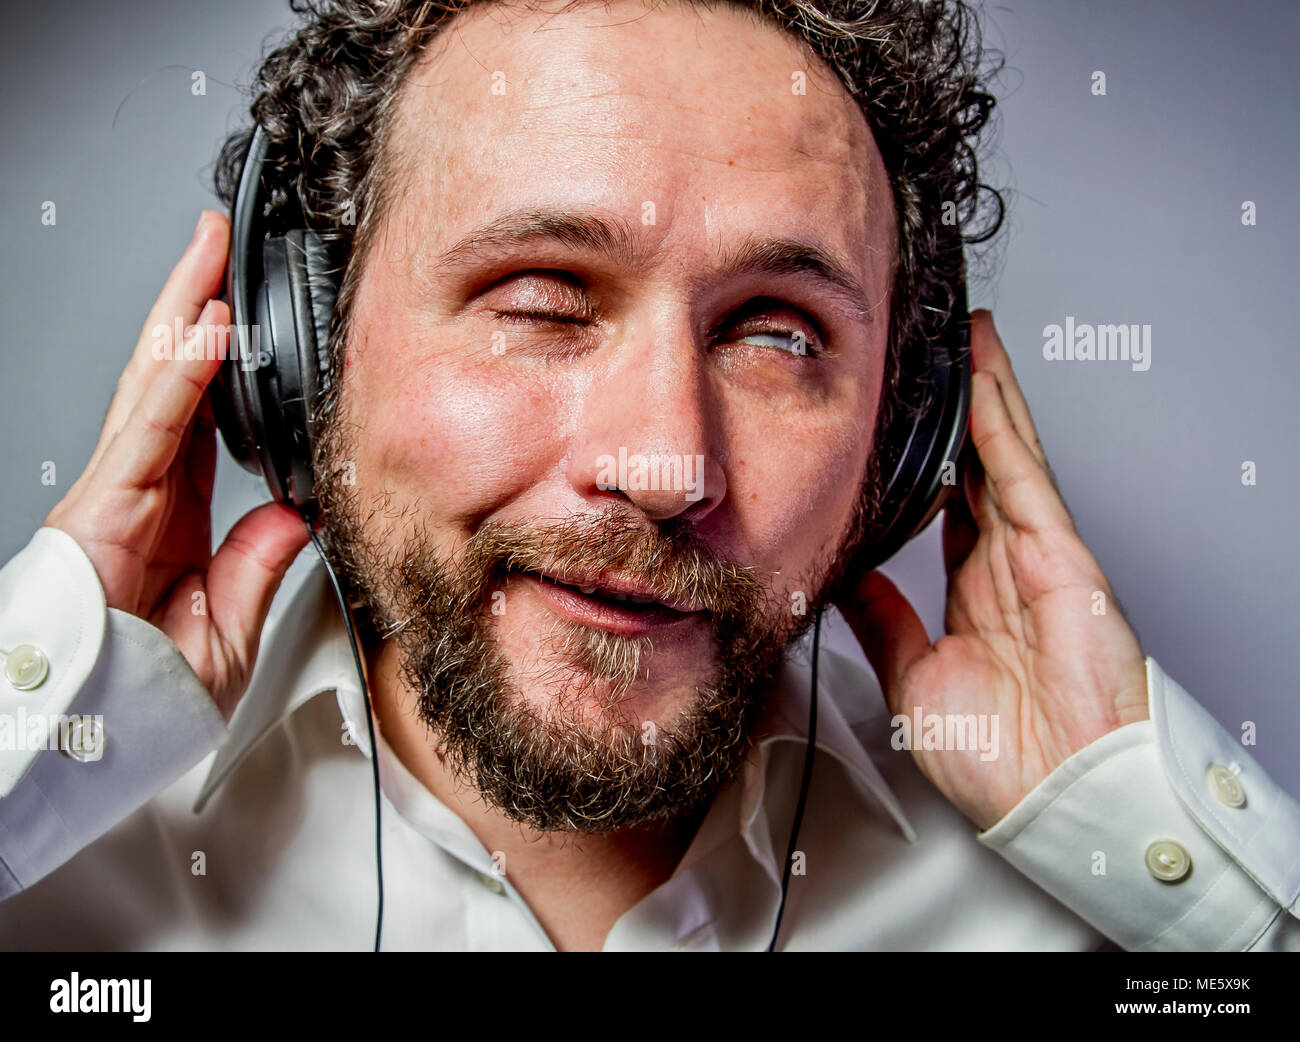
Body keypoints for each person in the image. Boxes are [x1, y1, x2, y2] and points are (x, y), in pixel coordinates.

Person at [0, 0, 1295, 951]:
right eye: (544, 299)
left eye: (777, 333)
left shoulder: (1102, 904)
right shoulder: (53, 841)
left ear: (902, 440)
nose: (664, 461)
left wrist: (1152, 838)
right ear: (300, 349)